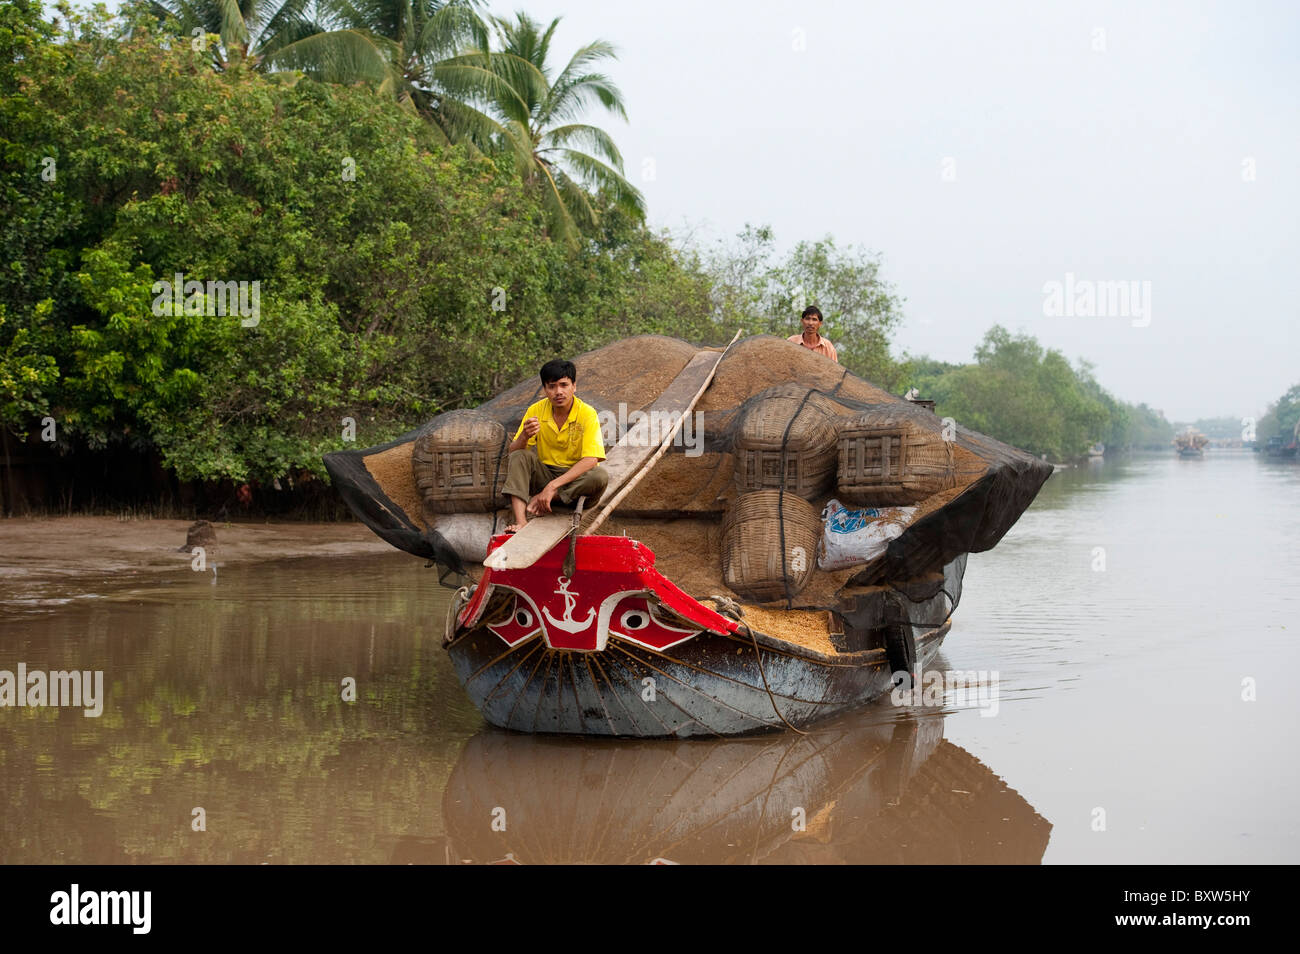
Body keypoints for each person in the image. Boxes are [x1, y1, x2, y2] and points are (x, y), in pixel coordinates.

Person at [502, 359, 608, 532]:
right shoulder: (535, 410)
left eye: (564, 385)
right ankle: (521, 522)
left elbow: (591, 460)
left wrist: (552, 488)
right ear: (545, 389)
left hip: (576, 481)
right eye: (552, 386)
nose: (558, 392)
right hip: (546, 474)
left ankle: (550, 497)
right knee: (520, 456)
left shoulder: (587, 413)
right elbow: (512, 452)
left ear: (574, 386)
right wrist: (524, 436)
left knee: (599, 476)